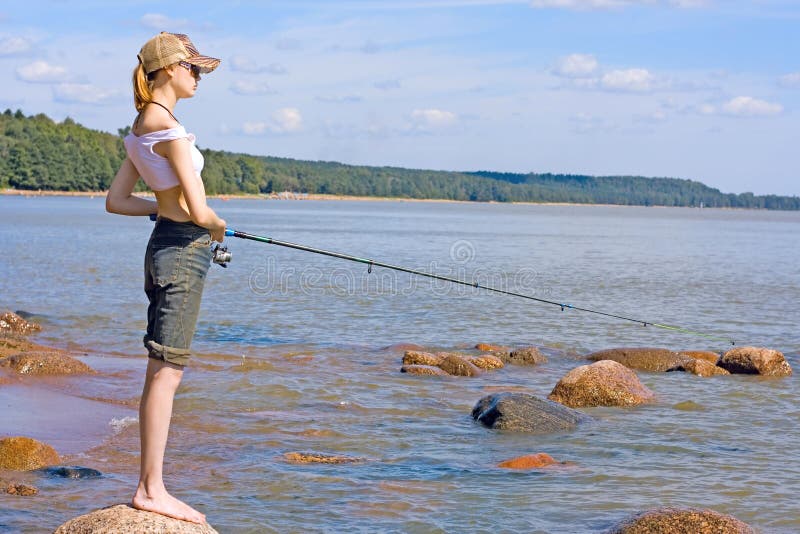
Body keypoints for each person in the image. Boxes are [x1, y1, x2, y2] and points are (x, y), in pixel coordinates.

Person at [106, 31, 226, 524]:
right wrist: (219, 225)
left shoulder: (140, 129)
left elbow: (117, 201)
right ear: (169, 69)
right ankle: (151, 489)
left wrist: (164, 211)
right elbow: (199, 210)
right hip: (182, 253)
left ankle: (150, 484)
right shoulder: (171, 131)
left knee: (162, 370)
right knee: (166, 373)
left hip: (163, 247)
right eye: (192, 68)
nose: (197, 76)